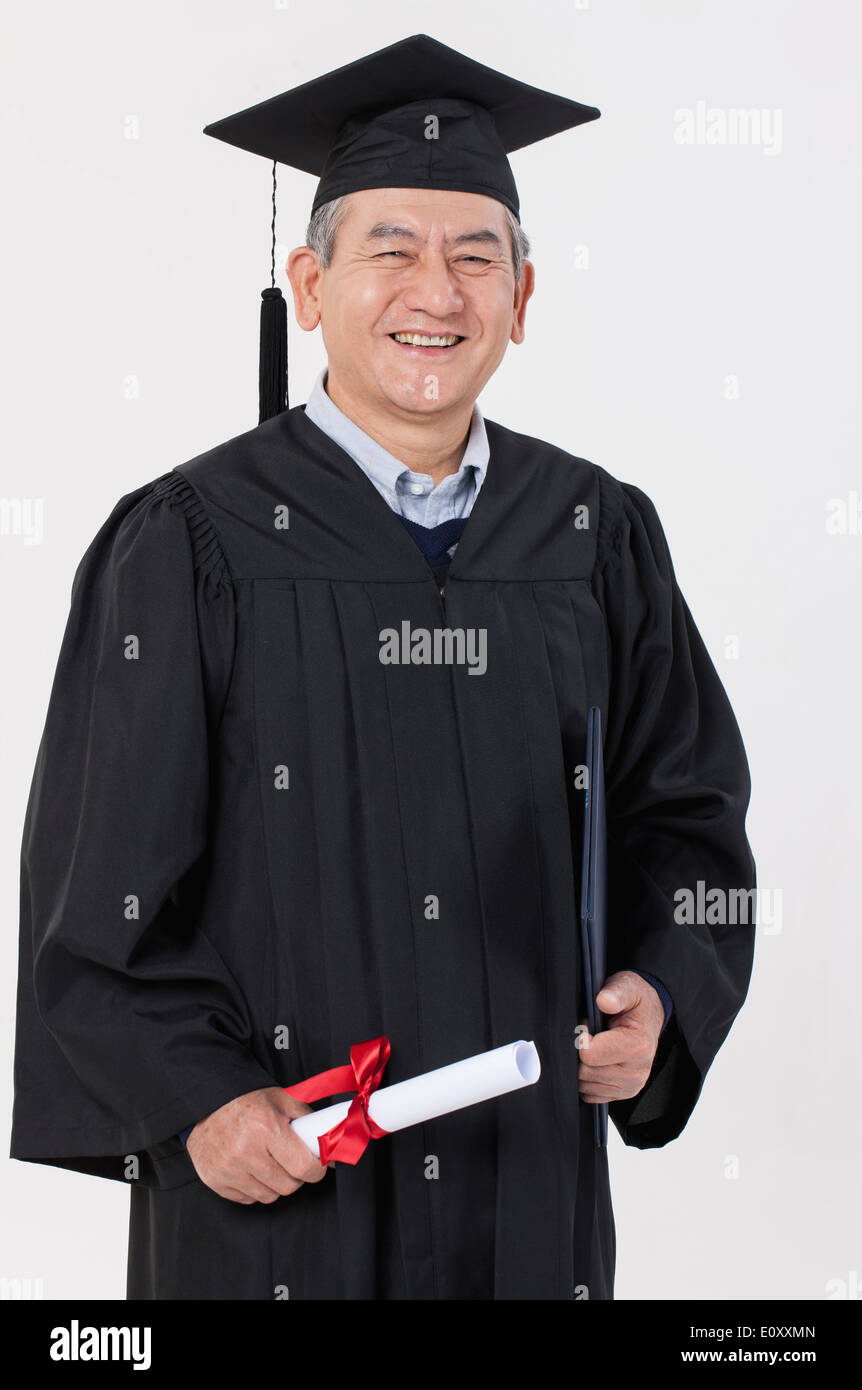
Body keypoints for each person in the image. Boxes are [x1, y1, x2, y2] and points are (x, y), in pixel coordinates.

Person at [10, 35, 756, 1300]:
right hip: (280, 1203)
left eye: (477, 254)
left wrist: (665, 995)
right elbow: (97, 910)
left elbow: (686, 822)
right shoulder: (186, 542)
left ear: (523, 299)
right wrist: (198, 1103)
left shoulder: (593, 534)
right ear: (308, 284)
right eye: (390, 249)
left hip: (524, 1202)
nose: (438, 290)